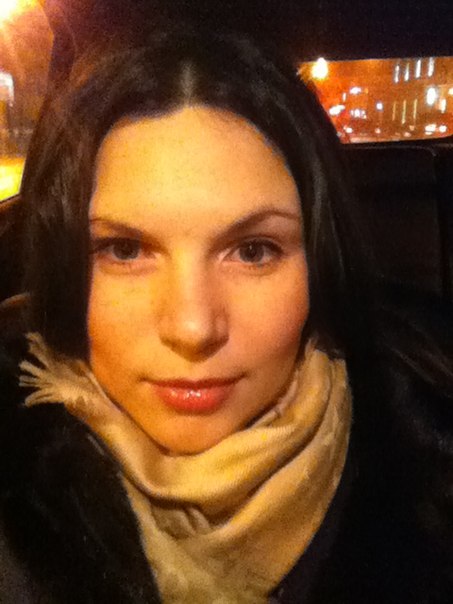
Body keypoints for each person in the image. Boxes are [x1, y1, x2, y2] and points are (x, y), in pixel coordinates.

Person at [1, 26, 453, 604]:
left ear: (320, 262)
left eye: (254, 251)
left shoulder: (430, 471)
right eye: (125, 250)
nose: (193, 328)